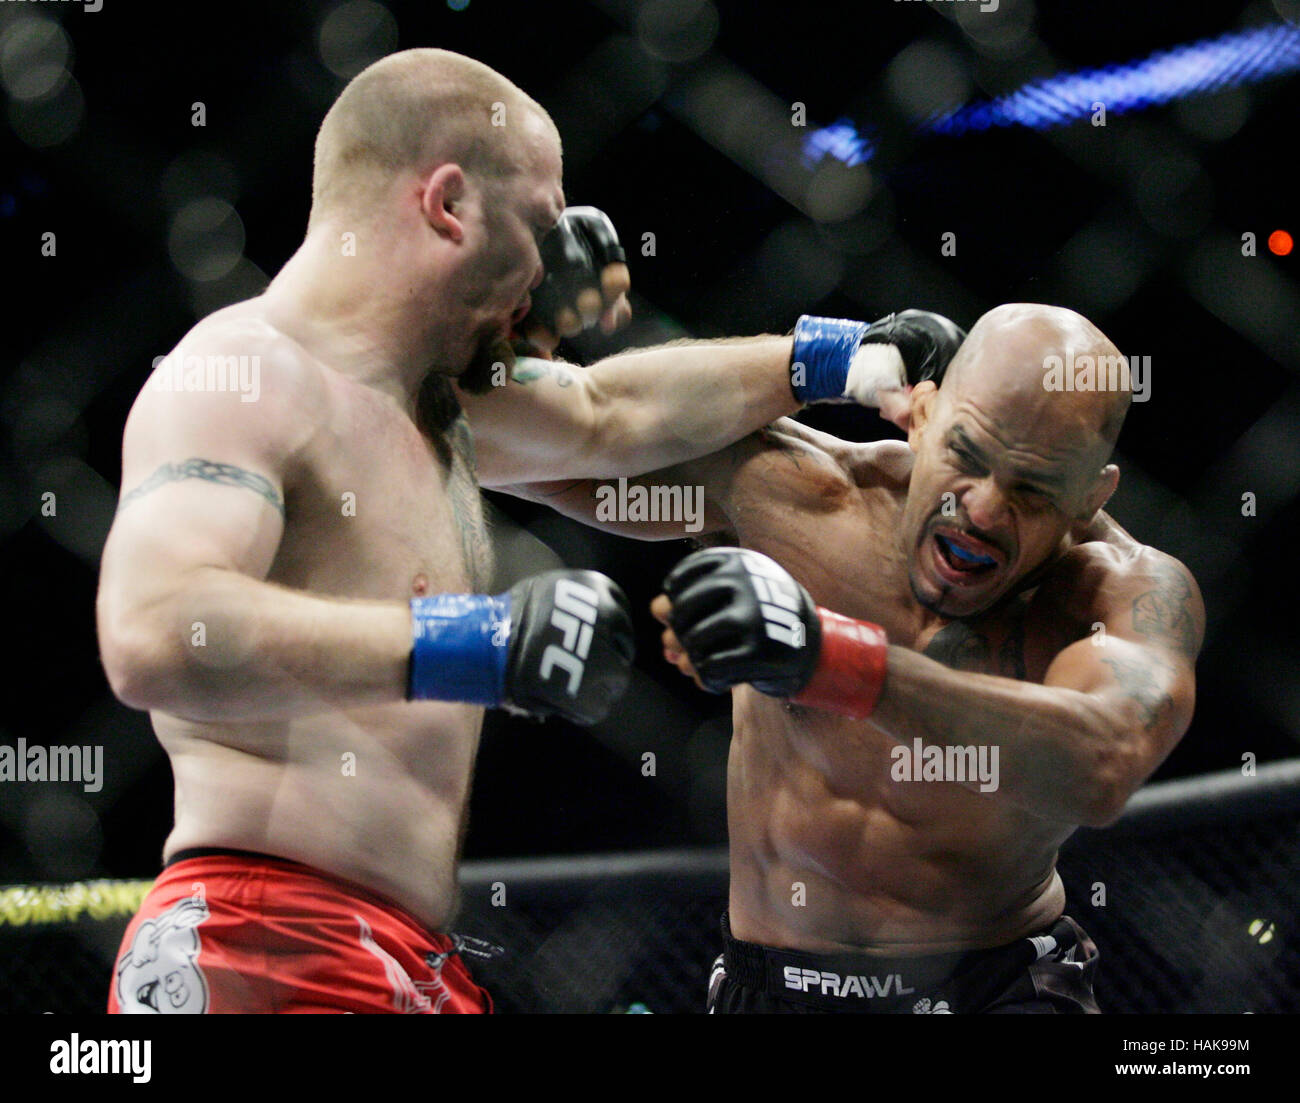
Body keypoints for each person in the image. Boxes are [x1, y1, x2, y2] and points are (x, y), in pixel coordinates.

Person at [96, 47, 952, 1014]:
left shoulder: (433, 406)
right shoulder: (247, 372)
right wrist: (480, 642)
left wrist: (837, 356)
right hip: (265, 941)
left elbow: (606, 413)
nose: (551, 267)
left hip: (400, 952)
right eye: (539, 225)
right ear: (449, 204)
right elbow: (155, 629)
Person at [515, 303, 1204, 1013]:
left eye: (1033, 488)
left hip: (997, 990)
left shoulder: (1118, 592)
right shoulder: (795, 497)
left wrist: (826, 661)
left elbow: (1102, 763)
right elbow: (531, 440)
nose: (986, 511)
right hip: (769, 985)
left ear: (1093, 492)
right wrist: (823, 357)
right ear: (920, 412)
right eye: (968, 455)